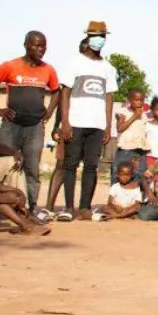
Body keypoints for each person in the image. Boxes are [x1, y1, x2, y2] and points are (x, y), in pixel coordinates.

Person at [0, 30, 60, 215]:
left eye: (43, 46)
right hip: (11, 125)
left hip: (35, 128)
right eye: (36, 45)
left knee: (32, 168)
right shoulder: (10, 66)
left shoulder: (48, 70)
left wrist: (48, 113)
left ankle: (30, 208)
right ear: (26, 45)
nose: (41, 49)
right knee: (2, 165)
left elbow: (57, 91)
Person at [59, 21, 117, 221]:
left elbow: (109, 97)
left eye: (102, 35)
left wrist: (108, 126)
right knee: (71, 164)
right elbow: (65, 92)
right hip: (76, 121)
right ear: (87, 37)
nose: (98, 39)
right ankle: (68, 207)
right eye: (95, 35)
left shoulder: (108, 67)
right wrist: (65, 122)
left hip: (97, 124)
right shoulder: (75, 62)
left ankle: (85, 207)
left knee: (92, 166)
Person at [0, 151, 50, 236]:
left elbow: (8, 189)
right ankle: (26, 226)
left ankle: (27, 221)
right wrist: (16, 199)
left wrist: (20, 195)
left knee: (8, 197)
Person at [114, 87, 150, 177]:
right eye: (136, 100)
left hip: (139, 151)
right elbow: (120, 128)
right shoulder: (123, 112)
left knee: (139, 176)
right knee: (121, 174)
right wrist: (134, 116)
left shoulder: (144, 115)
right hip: (126, 150)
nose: (139, 102)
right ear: (130, 100)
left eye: (142, 100)